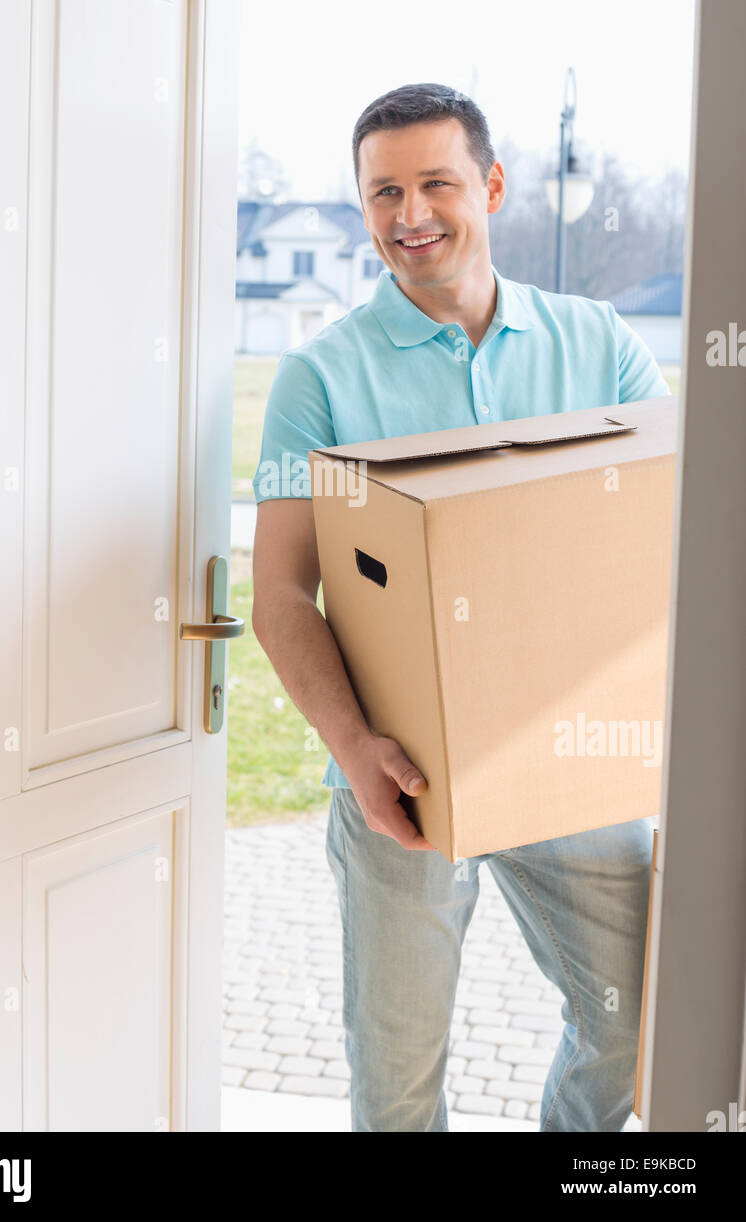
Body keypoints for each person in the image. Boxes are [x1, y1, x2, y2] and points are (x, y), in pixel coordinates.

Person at [250, 82, 670, 1132]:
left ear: (488, 185)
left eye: (434, 182)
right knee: (394, 1085)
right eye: (382, 192)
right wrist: (352, 750)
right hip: (399, 777)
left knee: (635, 1021)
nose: (409, 214)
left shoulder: (600, 346)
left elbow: (663, 540)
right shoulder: (318, 376)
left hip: (568, 760)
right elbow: (276, 594)